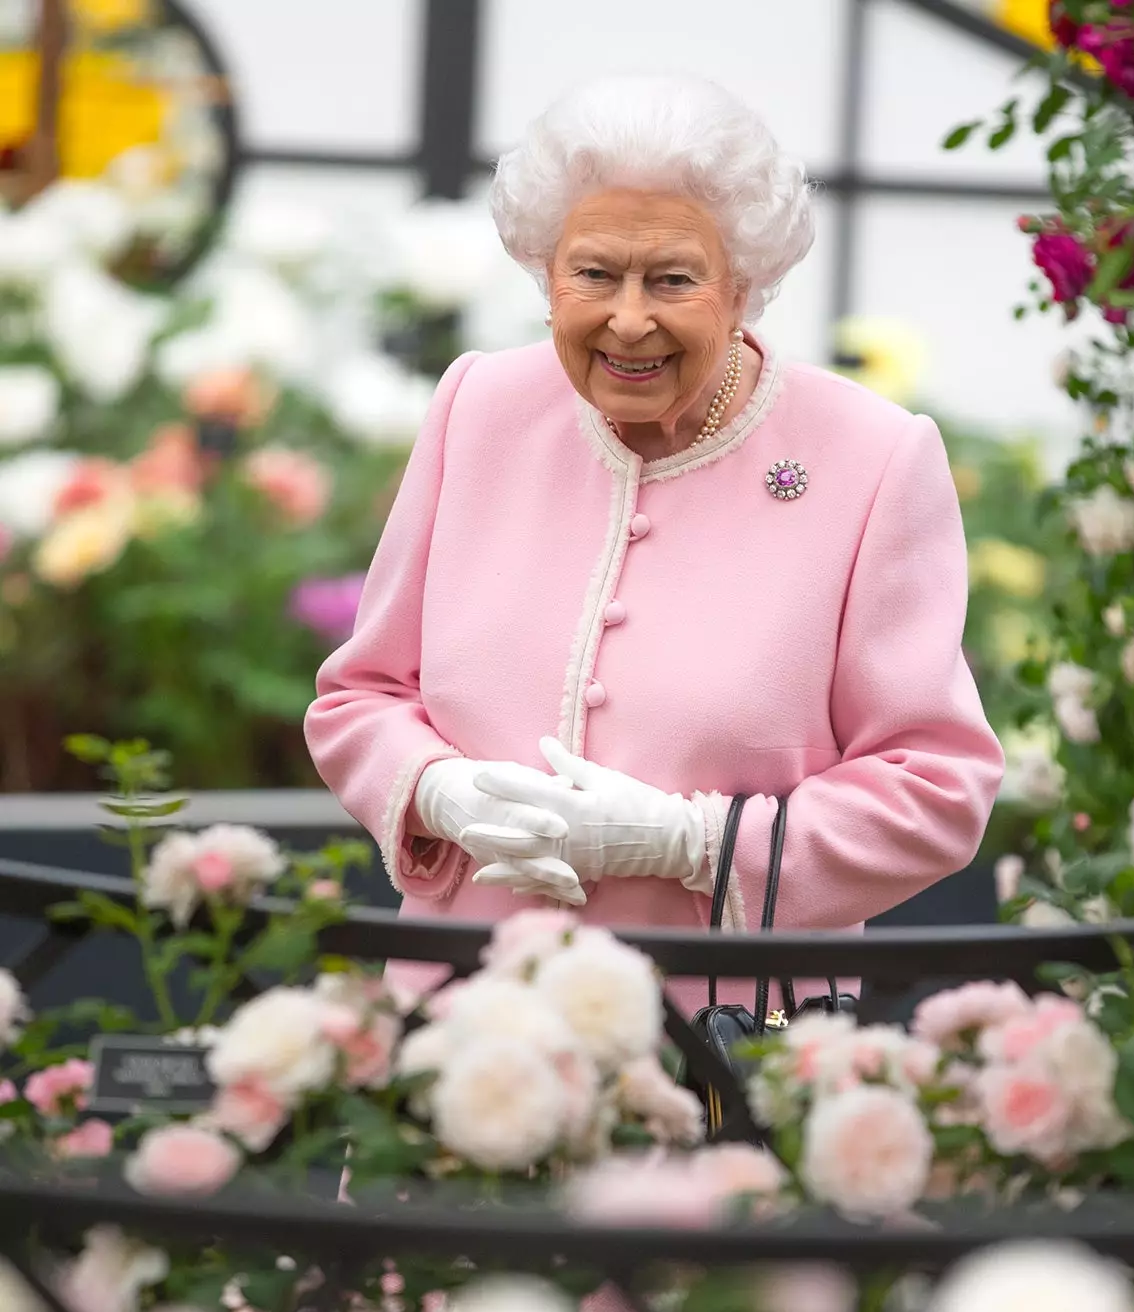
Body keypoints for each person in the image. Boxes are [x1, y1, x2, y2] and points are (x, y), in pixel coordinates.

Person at [305, 73, 1003, 1008]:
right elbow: (363, 696)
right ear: (544, 273)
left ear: (745, 285)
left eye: (673, 279)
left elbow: (938, 790)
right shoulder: (479, 408)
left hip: (720, 1042)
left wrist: (696, 845)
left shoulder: (873, 459)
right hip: (462, 1027)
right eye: (593, 273)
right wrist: (436, 792)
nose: (629, 319)